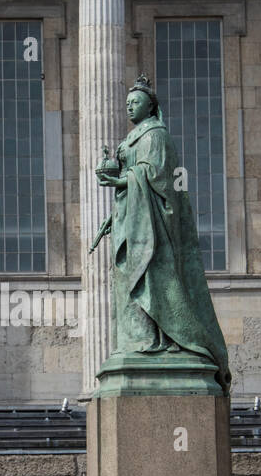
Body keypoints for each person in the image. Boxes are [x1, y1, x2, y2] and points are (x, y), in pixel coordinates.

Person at [93, 72, 231, 391]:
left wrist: (123, 180)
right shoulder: (132, 138)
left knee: (152, 279)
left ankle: (164, 339)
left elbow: (153, 174)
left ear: (150, 106)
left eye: (136, 102)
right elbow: (133, 177)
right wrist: (115, 211)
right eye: (127, 103)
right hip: (132, 219)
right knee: (130, 284)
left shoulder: (155, 135)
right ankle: (140, 341)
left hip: (153, 227)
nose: (129, 107)